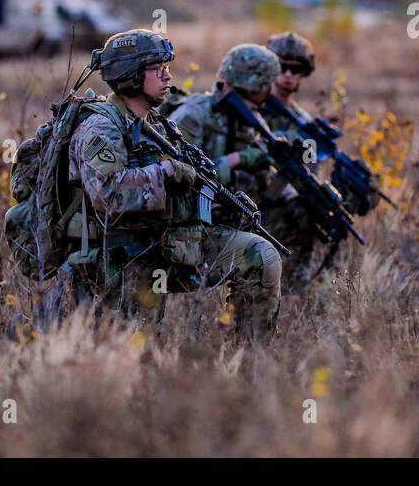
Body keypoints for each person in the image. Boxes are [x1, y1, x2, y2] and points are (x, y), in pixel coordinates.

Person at [69, 30, 282, 332]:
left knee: (259, 255)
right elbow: (107, 194)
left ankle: (249, 361)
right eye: (158, 70)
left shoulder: (160, 126)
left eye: (167, 68)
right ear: (130, 75)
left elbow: (190, 185)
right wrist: (166, 174)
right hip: (120, 254)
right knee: (132, 349)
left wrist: (225, 208)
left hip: (164, 241)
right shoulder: (101, 127)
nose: (168, 77)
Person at [169, 44, 320, 286]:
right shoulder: (193, 116)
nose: (270, 92)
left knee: (299, 211)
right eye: (265, 87)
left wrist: (287, 185)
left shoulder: (252, 122)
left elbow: (266, 187)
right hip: (188, 224)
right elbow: (178, 178)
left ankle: (294, 289)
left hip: (233, 216)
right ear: (253, 86)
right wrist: (238, 160)